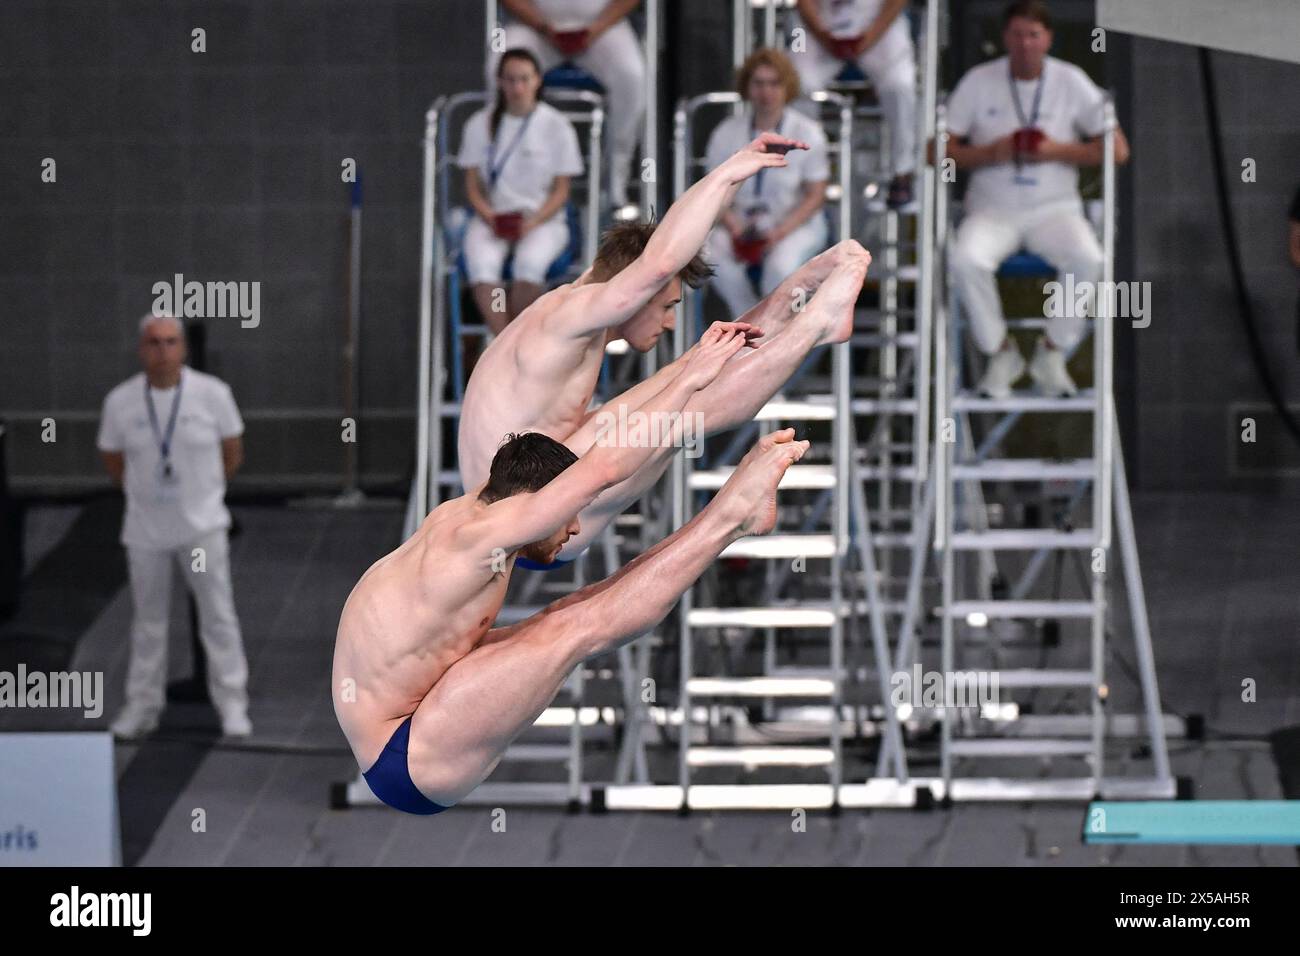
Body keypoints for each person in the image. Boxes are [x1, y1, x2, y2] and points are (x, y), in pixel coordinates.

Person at [333, 326, 808, 814]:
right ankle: (733, 516)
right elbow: (604, 468)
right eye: (566, 514)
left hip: (417, 712)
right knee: (574, 628)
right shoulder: (479, 538)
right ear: (534, 501)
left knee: (571, 608)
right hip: (408, 757)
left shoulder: (477, 508)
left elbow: (608, 437)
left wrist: (688, 366)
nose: (577, 529)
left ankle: (735, 512)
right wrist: (690, 381)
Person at [458, 133, 870, 562]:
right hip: (525, 515)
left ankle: (806, 302)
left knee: (692, 370)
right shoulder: (569, 316)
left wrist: (799, 286)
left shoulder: (568, 313)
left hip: (525, 499)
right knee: (679, 415)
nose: (671, 321)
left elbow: (693, 325)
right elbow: (659, 263)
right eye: (667, 306)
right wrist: (729, 172)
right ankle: (819, 326)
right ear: (634, 292)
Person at [944, 0, 1130, 399]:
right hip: (992, 210)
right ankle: (1000, 351)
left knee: (1089, 258)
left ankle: (1052, 350)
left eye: (1033, 35)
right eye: (1017, 34)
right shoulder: (979, 81)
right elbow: (938, 150)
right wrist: (991, 152)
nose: (1025, 44)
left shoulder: (1071, 80)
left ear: (1048, 38)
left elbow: (1118, 151)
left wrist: (1055, 151)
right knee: (965, 259)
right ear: (1005, 37)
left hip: (1054, 209)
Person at [96, 314, 252, 739]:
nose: (162, 351)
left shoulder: (212, 395)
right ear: (141, 349)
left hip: (201, 531)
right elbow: (113, 461)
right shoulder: (121, 402)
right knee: (148, 621)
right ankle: (142, 707)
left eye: (169, 342)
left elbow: (232, 452)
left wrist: (204, 495)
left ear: (182, 348)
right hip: (146, 533)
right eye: (153, 343)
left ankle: (232, 704)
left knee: (217, 615)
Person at [460, 48, 585, 334]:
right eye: (510, 79)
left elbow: (561, 191)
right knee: (481, 266)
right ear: (500, 82)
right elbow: (472, 185)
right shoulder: (479, 124)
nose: (517, 87)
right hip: (492, 217)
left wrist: (533, 222)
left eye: (524, 79)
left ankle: (515, 345)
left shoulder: (556, 126)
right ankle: (504, 342)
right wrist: (490, 216)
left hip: (542, 219)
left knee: (529, 266)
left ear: (537, 80)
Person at [705, 48, 831, 319]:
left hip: (793, 223)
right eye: (759, 84)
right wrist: (735, 227)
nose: (766, 92)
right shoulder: (726, 133)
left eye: (774, 84)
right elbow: (714, 190)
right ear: (747, 87)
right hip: (741, 223)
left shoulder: (808, 132)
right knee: (708, 253)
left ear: (787, 87)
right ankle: (748, 320)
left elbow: (815, 196)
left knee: (780, 267)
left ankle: (775, 330)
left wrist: (780, 233)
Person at [492, 0, 645, 210]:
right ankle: (504, 180)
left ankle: (616, 178)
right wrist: (543, 27)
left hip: (603, 28)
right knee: (498, 67)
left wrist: (596, 28)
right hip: (534, 26)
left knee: (632, 75)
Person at [792, 0, 918, 207]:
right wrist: (824, 36)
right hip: (823, 25)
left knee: (900, 85)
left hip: (878, 24)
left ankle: (902, 172)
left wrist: (868, 38)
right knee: (798, 84)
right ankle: (805, 172)